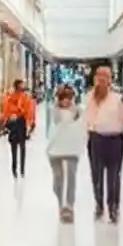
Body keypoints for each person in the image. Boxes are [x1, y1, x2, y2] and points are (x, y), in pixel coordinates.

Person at [85, 65, 123, 223]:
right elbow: (86, 117)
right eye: (99, 76)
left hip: (114, 140)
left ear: (110, 80)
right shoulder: (89, 97)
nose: (102, 80)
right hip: (96, 139)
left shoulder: (118, 99)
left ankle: (113, 207)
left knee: (114, 175)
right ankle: (99, 203)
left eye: (106, 77)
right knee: (96, 174)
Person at [47, 85, 86, 223]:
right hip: (55, 149)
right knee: (58, 178)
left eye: (68, 98)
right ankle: (60, 203)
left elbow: (82, 127)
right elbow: (50, 129)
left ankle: (69, 206)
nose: (66, 102)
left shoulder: (79, 112)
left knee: (71, 176)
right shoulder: (52, 111)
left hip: (72, 149)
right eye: (63, 98)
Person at [0, 79, 36, 179]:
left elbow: (28, 111)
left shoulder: (25, 98)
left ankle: (21, 169)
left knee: (22, 147)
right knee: (15, 148)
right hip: (15, 124)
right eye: (21, 85)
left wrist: (29, 123)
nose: (23, 87)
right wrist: (3, 122)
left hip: (21, 123)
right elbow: (6, 111)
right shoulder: (11, 98)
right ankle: (15, 169)